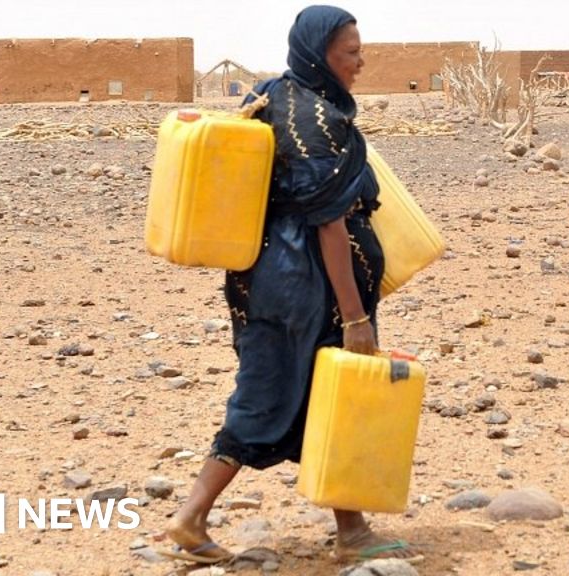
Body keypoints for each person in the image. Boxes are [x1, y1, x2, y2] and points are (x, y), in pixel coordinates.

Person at [163, 4, 419, 566]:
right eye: (349, 52)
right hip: (306, 285)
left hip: (274, 274)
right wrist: (354, 318)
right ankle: (190, 515)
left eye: (358, 49)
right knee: (277, 391)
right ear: (319, 52)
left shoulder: (275, 91)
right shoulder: (316, 118)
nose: (360, 61)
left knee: (327, 391)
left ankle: (350, 527)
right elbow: (328, 222)